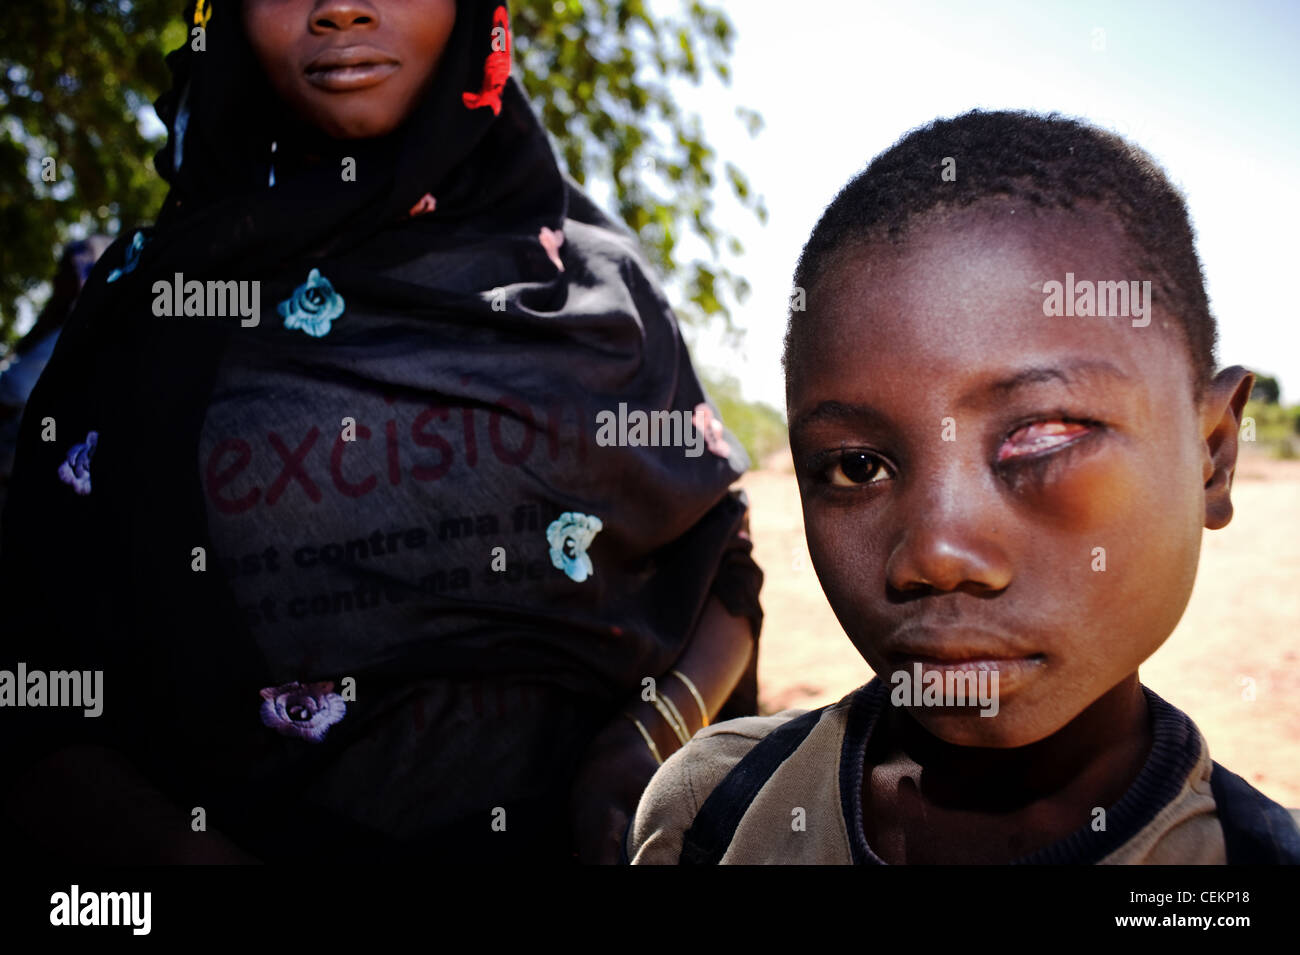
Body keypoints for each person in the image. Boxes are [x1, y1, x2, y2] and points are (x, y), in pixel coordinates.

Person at [0, 0, 762, 865]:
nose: (342, 7)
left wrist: (637, 754)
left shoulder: (598, 292)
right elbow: (35, 690)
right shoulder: (145, 319)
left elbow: (719, 563)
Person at [627, 110, 1300, 864]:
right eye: (857, 466)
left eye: (1045, 435)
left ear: (1212, 453)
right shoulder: (715, 813)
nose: (938, 554)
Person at [0, 236, 111, 533]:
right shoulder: (86, 334)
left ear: (82, 276)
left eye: (65, 271)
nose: (55, 279)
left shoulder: (71, 336)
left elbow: (11, 393)